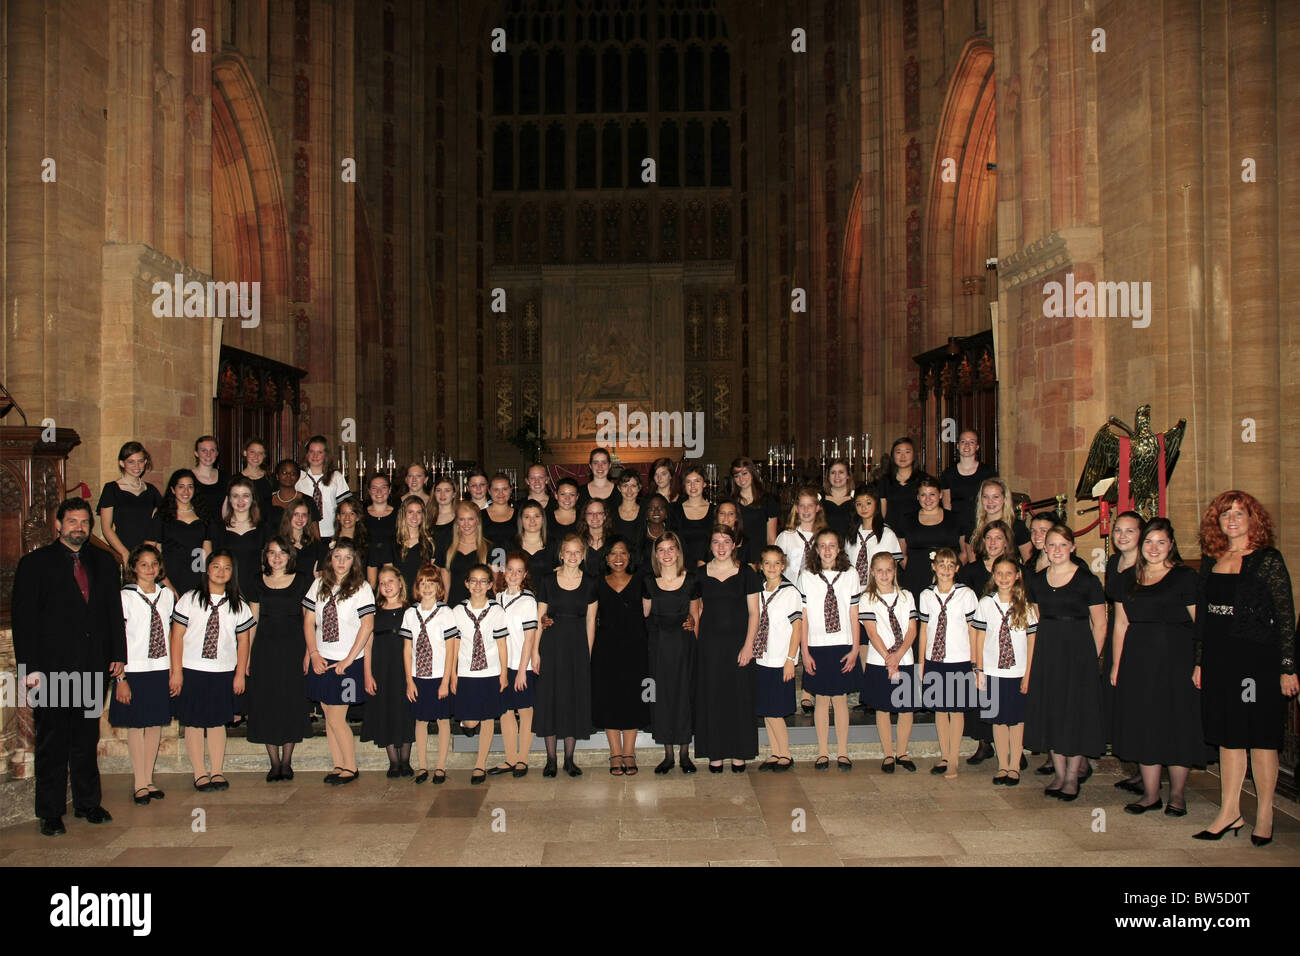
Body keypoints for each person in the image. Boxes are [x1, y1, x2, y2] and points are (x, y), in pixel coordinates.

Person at [12, 498, 126, 834]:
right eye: (72, 521)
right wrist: (28, 669)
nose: (79, 527)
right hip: (50, 671)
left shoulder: (105, 562)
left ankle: (88, 803)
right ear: (58, 525)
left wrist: (117, 654)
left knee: (85, 739)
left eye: (84, 522)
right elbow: (24, 621)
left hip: (92, 667)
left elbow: (112, 615)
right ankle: (50, 811)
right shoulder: (35, 564)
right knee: (52, 742)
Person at [1192, 491, 1297, 844]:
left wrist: (1288, 666)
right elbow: (1204, 618)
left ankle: (1264, 813)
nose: (1232, 520)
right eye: (1225, 514)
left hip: (1255, 662)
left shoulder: (1268, 560)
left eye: (1239, 513)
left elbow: (1285, 617)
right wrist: (1199, 661)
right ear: (1216, 522)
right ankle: (1229, 810)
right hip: (1220, 659)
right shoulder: (1213, 558)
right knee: (1227, 735)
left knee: (1259, 737)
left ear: (1253, 519)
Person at [1109, 518, 1201, 815]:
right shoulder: (1126, 579)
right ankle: (1150, 794)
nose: (1154, 548)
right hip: (1138, 660)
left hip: (1177, 660)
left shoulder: (1185, 577)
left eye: (1161, 542)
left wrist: (1200, 663)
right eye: (1149, 541)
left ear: (1171, 545)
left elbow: (1201, 625)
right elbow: (1121, 624)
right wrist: (1116, 665)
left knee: (1176, 724)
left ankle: (1176, 794)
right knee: (1144, 724)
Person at [1024, 525, 1107, 801]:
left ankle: (1073, 776)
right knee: (1052, 711)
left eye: (1062, 545)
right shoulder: (1036, 581)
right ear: (1044, 548)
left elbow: (1100, 624)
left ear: (1072, 547)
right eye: (1052, 545)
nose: (1056, 550)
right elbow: (1037, 618)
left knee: (1075, 713)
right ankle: (1059, 774)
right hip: (1048, 652)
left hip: (1078, 653)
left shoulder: (1087, 580)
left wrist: (1090, 657)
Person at [168, 549, 255, 792]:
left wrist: (239, 673)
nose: (221, 572)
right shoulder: (190, 598)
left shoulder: (239, 604)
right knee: (194, 723)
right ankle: (199, 773)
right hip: (193, 668)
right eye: (216, 566)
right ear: (207, 569)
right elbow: (176, 635)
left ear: (232, 573)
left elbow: (244, 641)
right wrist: (176, 671)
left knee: (218, 722)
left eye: (227, 568)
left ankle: (217, 770)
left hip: (223, 670)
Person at [303, 539, 375, 785]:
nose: (341, 562)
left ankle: (351, 767)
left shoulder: (362, 587)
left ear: (354, 560)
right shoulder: (319, 584)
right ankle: (338, 764)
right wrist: (313, 653)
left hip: (347, 661)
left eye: (347, 557)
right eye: (337, 557)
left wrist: (349, 659)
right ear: (330, 559)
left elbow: (367, 626)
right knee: (326, 713)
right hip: (323, 657)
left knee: (337, 717)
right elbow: (309, 621)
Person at [109, 544, 175, 805]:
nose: (149, 569)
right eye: (144, 564)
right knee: (136, 726)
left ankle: (149, 779)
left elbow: (172, 634)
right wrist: (121, 679)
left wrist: (174, 670)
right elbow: (118, 637)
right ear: (133, 567)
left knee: (154, 724)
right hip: (134, 669)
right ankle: (139, 782)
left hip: (160, 667)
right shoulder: (125, 597)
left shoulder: (167, 595)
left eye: (154, 564)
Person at [245, 536, 313, 781]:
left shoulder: (302, 581)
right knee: (266, 703)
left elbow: (309, 620)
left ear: (289, 556)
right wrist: (248, 657)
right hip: (264, 649)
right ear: (266, 556)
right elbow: (252, 621)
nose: (276, 557)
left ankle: (287, 761)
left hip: (293, 648)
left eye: (281, 552)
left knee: (289, 702)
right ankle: (274, 763)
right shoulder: (256, 581)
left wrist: (308, 652)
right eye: (272, 552)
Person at [696, 525, 761, 772]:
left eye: (726, 542)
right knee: (713, 697)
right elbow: (699, 610)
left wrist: (748, 646)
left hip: (739, 644)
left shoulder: (747, 573)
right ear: (710, 545)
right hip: (710, 646)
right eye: (716, 542)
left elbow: (755, 612)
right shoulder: (700, 574)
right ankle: (715, 752)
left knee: (739, 698)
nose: (721, 547)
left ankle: (739, 752)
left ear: (735, 544)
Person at [534, 534, 599, 777]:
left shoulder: (591, 582)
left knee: (573, 699)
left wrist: (588, 653)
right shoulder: (548, 580)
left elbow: (591, 621)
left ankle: (569, 760)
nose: (572, 556)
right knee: (551, 698)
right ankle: (551, 760)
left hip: (577, 646)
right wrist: (535, 652)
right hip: (551, 645)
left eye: (577, 552)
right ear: (561, 554)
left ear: (583, 555)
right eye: (568, 552)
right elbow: (540, 618)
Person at [973, 556, 1036, 786]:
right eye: (999, 573)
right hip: (992, 670)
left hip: (1018, 671)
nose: (1004, 578)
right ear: (993, 575)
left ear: (1017, 575)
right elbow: (979, 638)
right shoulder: (986, 603)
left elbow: (1032, 641)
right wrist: (978, 669)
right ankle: (1002, 765)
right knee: (998, 720)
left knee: (1017, 720)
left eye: (1009, 573)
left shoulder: (1025, 604)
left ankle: (1014, 766)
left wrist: (1028, 674)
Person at [916, 548, 978, 779]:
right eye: (941, 565)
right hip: (935, 659)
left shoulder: (966, 594)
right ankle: (944, 754)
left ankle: (953, 759)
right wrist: (921, 662)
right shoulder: (925, 595)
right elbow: (924, 630)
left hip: (959, 658)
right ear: (934, 567)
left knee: (956, 709)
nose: (945, 570)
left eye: (951, 566)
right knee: (940, 710)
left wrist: (974, 662)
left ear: (957, 569)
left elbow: (973, 630)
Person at [642, 532, 701, 774]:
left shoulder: (692, 580)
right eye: (661, 550)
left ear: (678, 551)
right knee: (661, 697)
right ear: (655, 554)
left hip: (684, 646)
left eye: (670, 549)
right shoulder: (647, 581)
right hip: (658, 647)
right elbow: (643, 616)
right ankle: (667, 755)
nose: (666, 554)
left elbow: (695, 616)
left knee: (684, 696)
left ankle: (685, 754)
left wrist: (694, 633)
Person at [591, 537, 649, 775]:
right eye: (613, 554)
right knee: (609, 701)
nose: (618, 558)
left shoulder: (641, 581)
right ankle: (615, 753)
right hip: (606, 650)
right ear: (606, 558)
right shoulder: (596, 583)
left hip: (635, 649)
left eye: (623, 553)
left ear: (630, 557)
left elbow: (650, 614)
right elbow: (590, 619)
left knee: (633, 700)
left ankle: (629, 752)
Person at [956, 519, 1013, 764]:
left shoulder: (1014, 569)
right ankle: (984, 743)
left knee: (1007, 694)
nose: (992, 543)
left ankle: (1011, 747)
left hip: (1009, 640)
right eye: (988, 538)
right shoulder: (971, 570)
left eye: (998, 538)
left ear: (1006, 542)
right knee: (982, 691)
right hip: (979, 638)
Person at [449, 563, 510, 784]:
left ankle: (480, 764)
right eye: (473, 580)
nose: (477, 585)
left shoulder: (496, 611)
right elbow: (454, 645)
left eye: (483, 581)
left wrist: (503, 673)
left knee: (487, 719)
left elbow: (502, 644)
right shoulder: (457, 611)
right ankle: (466, 726)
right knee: (472, 721)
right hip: (466, 672)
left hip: (490, 671)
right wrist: (453, 674)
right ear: (466, 584)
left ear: (490, 585)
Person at [860, 552, 919, 773]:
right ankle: (887, 754)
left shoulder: (907, 596)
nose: (885, 574)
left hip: (904, 659)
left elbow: (912, 629)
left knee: (906, 710)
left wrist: (898, 655)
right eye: (880, 570)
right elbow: (872, 633)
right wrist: (888, 657)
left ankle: (902, 752)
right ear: (873, 573)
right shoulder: (867, 598)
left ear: (895, 572)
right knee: (883, 708)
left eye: (889, 570)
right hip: (879, 661)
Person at [401, 565, 457, 784]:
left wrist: (446, 680)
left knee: (443, 720)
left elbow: (451, 649)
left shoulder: (446, 613)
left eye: (431, 583)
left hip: (438, 676)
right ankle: (422, 765)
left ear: (439, 587)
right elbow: (407, 649)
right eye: (423, 583)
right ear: (417, 587)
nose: (427, 588)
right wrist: (409, 680)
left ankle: (441, 766)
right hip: (418, 676)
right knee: (421, 721)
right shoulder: (410, 614)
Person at [1104, 511, 1146, 794]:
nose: (1122, 536)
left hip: (1142, 640)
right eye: (1118, 530)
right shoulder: (1114, 562)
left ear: (1141, 534)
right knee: (1125, 706)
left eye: (1129, 531)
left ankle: (1148, 770)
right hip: (1118, 636)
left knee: (1144, 706)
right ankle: (1138, 768)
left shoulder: (1148, 565)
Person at [363, 566, 416, 778]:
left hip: (404, 667)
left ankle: (405, 760)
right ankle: (393, 762)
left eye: (390, 581)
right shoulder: (373, 611)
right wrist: (367, 674)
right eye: (382, 582)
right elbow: (367, 645)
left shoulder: (411, 609)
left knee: (404, 711)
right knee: (385, 710)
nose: (386, 586)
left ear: (400, 582)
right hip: (381, 667)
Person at [754, 546, 803, 772]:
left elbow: (797, 628)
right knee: (766, 709)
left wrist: (791, 659)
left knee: (776, 711)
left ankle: (786, 754)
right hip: (762, 657)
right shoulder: (759, 590)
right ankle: (775, 752)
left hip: (780, 660)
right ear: (761, 566)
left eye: (776, 563)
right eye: (767, 563)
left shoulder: (790, 592)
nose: (772, 568)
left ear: (783, 566)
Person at [492, 553, 539, 777]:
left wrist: (522, 670)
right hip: (501, 665)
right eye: (510, 569)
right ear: (504, 571)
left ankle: (523, 758)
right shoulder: (497, 598)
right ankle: (510, 757)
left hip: (521, 665)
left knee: (525, 709)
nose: (513, 575)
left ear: (525, 575)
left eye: (519, 571)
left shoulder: (528, 600)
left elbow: (529, 638)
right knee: (505, 710)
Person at [209, 477, 266, 634]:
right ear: (228, 499)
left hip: (254, 591)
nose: (240, 501)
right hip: (226, 589)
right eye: (235, 496)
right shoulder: (218, 527)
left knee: (249, 642)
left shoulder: (263, 528)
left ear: (253, 498)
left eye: (245, 495)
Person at [897, 477, 963, 604]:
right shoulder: (907, 519)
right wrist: (914, 569)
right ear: (917, 497)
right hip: (916, 577)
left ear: (940, 495)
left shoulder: (955, 519)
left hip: (947, 576)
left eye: (932, 494)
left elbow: (964, 552)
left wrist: (952, 570)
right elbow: (901, 554)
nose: (928, 499)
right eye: (923, 495)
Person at [97, 441, 162, 564]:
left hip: (148, 554)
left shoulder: (152, 490)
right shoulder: (111, 489)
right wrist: (124, 553)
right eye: (131, 461)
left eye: (140, 461)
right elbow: (106, 528)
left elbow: (159, 525)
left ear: (145, 462)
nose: (137, 466)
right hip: (123, 551)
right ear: (122, 463)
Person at [941, 429, 998, 557]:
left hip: (980, 523)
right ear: (957, 446)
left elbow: (995, 499)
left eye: (971, 442)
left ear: (977, 447)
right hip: (958, 525)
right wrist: (951, 527)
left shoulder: (988, 472)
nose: (967, 445)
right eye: (963, 441)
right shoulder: (948, 473)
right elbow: (947, 504)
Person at [157, 469, 211, 598]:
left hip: (197, 577)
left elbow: (207, 552)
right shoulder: (162, 516)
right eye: (181, 487)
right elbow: (153, 551)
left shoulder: (203, 515)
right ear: (173, 489)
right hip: (169, 577)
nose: (186, 491)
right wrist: (166, 583)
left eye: (190, 487)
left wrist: (208, 582)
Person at [296, 435, 351, 544]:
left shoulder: (336, 476)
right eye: (312, 451)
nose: (315, 456)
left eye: (320, 452)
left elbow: (345, 506)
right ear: (307, 454)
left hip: (331, 533)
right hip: (304, 533)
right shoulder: (298, 476)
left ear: (325, 455)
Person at [844, 486, 904, 587]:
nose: (863, 508)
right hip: (853, 588)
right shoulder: (851, 534)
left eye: (868, 503)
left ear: (876, 504)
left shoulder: (887, 534)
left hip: (879, 588)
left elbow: (894, 567)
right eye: (859, 504)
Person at [967, 478, 1034, 563]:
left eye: (996, 497)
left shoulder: (1017, 526)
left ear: (1004, 498)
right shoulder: (974, 526)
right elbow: (972, 563)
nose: (990, 501)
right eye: (985, 497)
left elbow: (1028, 561)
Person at [731, 456, 780, 564]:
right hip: (736, 558)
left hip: (759, 558)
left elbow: (771, 538)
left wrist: (770, 562)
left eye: (744, 473)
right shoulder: (731, 503)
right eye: (736, 476)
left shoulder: (768, 501)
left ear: (752, 473)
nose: (741, 479)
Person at [668, 466, 715, 568]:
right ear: (684, 485)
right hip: (681, 567)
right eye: (688, 482)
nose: (693, 486)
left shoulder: (715, 511)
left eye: (697, 481)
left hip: (709, 567)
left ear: (705, 484)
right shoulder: (674, 510)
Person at [875, 437, 928, 526]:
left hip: (918, 530)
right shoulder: (885, 481)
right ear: (893, 456)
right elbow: (882, 513)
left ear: (914, 455)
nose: (903, 456)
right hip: (892, 531)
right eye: (898, 452)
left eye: (907, 452)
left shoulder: (924, 479)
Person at [444, 501, 489, 607]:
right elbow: (445, 587)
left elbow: (495, 583)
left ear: (477, 520)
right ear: (457, 522)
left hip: (481, 607)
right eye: (462, 519)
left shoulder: (490, 548)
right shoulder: (447, 548)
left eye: (470, 519)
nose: (466, 524)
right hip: (454, 607)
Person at [393, 495, 435, 595]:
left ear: (423, 515)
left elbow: (433, 575)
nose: (415, 517)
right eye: (410, 512)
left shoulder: (430, 542)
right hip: (398, 596)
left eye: (418, 512)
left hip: (423, 596)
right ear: (404, 514)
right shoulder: (392, 541)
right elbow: (389, 575)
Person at [265, 459, 319, 532]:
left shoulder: (307, 501)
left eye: (293, 473)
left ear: (298, 477)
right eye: (284, 472)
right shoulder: (267, 501)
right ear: (277, 476)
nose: (288, 476)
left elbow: (315, 532)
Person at [362, 473, 398, 579]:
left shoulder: (399, 514)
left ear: (390, 490)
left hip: (393, 568)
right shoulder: (361, 514)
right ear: (369, 491)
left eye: (383, 487)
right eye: (374, 488)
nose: (379, 492)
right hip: (366, 569)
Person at [279, 500, 324, 577]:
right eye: (296, 514)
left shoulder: (315, 544)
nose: (300, 518)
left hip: (310, 587)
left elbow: (321, 574)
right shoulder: (280, 543)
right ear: (289, 516)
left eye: (304, 515)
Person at [515, 501, 557, 583]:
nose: (532, 520)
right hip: (517, 595)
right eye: (527, 517)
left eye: (537, 516)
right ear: (521, 520)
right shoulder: (509, 545)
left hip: (547, 595)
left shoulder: (555, 545)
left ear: (543, 519)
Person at [611, 470, 646, 566]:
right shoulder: (611, 514)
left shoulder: (646, 513)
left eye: (633, 486)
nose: (629, 490)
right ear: (619, 488)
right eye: (625, 486)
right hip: (618, 565)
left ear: (639, 488)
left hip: (642, 566)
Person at [191, 435, 228, 522]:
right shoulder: (188, 478)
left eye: (212, 450)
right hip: (196, 529)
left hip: (219, 529)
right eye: (204, 450)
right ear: (196, 453)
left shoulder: (226, 478)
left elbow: (228, 509)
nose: (208, 454)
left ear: (217, 453)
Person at [238, 438, 275, 519]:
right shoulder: (236, 479)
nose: (256, 456)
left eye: (260, 453)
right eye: (252, 452)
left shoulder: (272, 478)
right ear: (245, 453)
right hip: (243, 524)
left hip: (267, 526)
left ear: (264, 456)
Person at [820, 459, 856, 540]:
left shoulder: (857, 499)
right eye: (833, 473)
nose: (837, 476)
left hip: (852, 547)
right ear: (828, 476)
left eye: (841, 472)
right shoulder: (819, 499)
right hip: (826, 548)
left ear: (848, 475)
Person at [483, 473, 518, 554]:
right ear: (489, 491)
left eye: (505, 489)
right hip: (487, 564)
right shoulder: (479, 515)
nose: (500, 493)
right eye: (496, 490)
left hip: (514, 564)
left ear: (511, 490)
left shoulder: (520, 515)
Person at [578, 497, 613, 576]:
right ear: (585, 516)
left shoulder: (614, 541)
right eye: (590, 513)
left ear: (605, 516)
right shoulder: (577, 541)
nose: (595, 516)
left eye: (599, 513)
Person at [428, 477, 458, 559]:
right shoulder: (426, 516)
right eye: (438, 490)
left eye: (447, 490)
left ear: (454, 494)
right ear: (434, 493)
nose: (442, 494)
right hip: (429, 566)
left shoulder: (460, 517)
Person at [639, 494, 671, 573]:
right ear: (646, 513)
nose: (656, 511)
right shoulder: (638, 534)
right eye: (651, 508)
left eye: (660, 508)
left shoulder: (673, 534)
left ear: (666, 512)